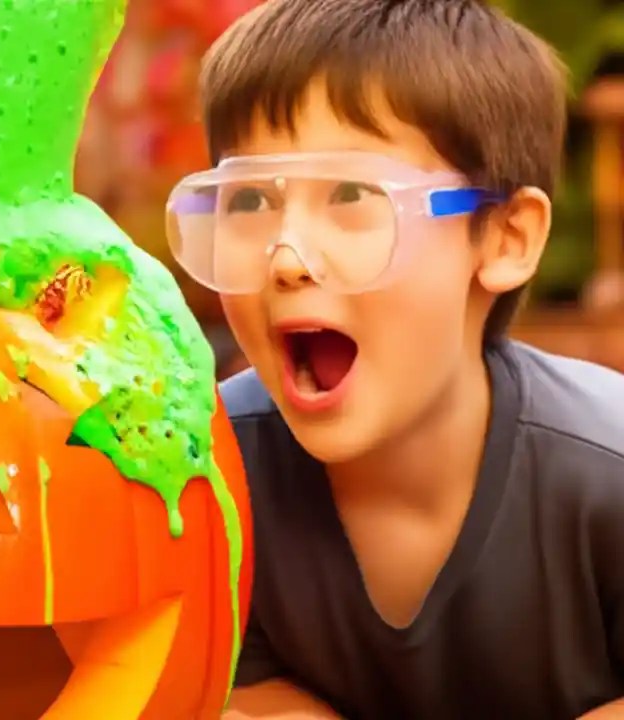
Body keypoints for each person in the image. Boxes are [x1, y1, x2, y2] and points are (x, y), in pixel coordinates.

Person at [165, 0, 624, 718]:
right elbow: (246, 691)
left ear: (505, 237)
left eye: (353, 195)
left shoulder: (606, 471)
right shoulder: (213, 476)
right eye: (250, 198)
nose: (286, 259)